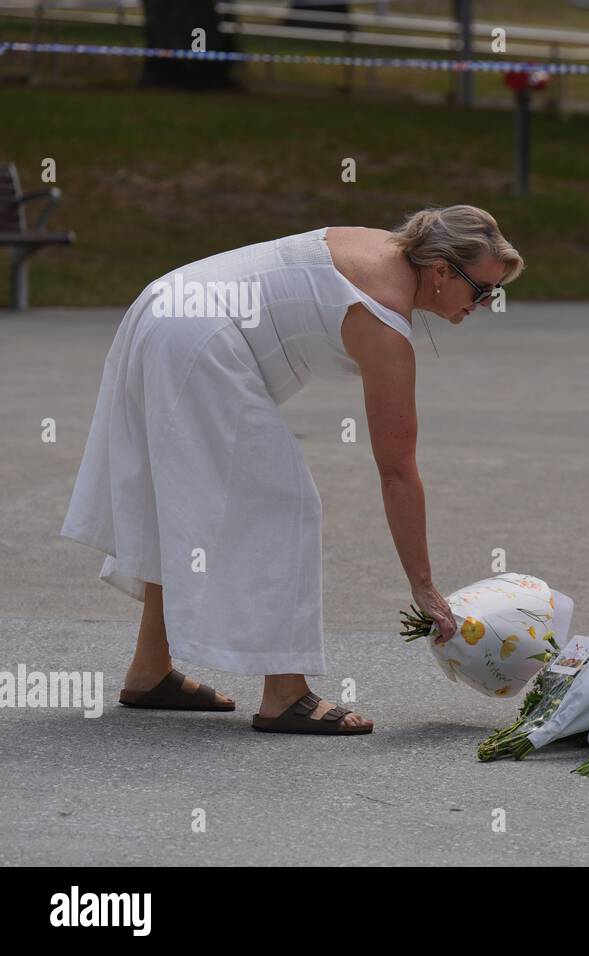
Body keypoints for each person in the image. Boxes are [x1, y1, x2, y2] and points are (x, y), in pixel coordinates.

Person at [59, 205, 524, 735]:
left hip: (165, 304)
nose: (486, 303)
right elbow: (397, 471)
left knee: (182, 496)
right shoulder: (382, 323)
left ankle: (149, 670)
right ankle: (285, 693)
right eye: (481, 290)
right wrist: (424, 587)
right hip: (196, 335)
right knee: (284, 505)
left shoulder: (392, 248)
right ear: (440, 270)